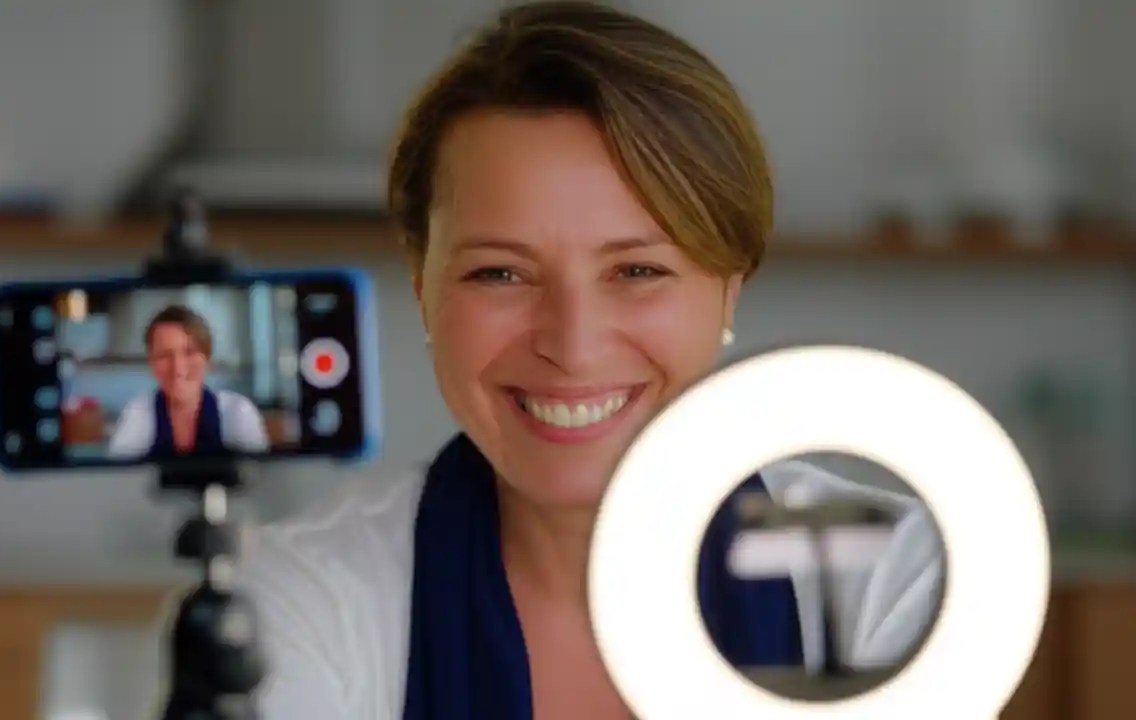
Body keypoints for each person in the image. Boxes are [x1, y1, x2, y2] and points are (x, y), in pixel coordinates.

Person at [238, 2, 943, 718]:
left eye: (637, 271)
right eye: (500, 274)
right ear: (424, 290)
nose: (572, 346)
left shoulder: (889, 577)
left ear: (730, 289)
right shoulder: (301, 600)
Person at [108, 305, 269, 460]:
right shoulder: (137, 414)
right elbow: (117, 482)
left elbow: (259, 481)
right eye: (164, 355)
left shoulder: (238, 411)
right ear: (152, 363)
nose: (178, 367)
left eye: (189, 352)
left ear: (207, 357)